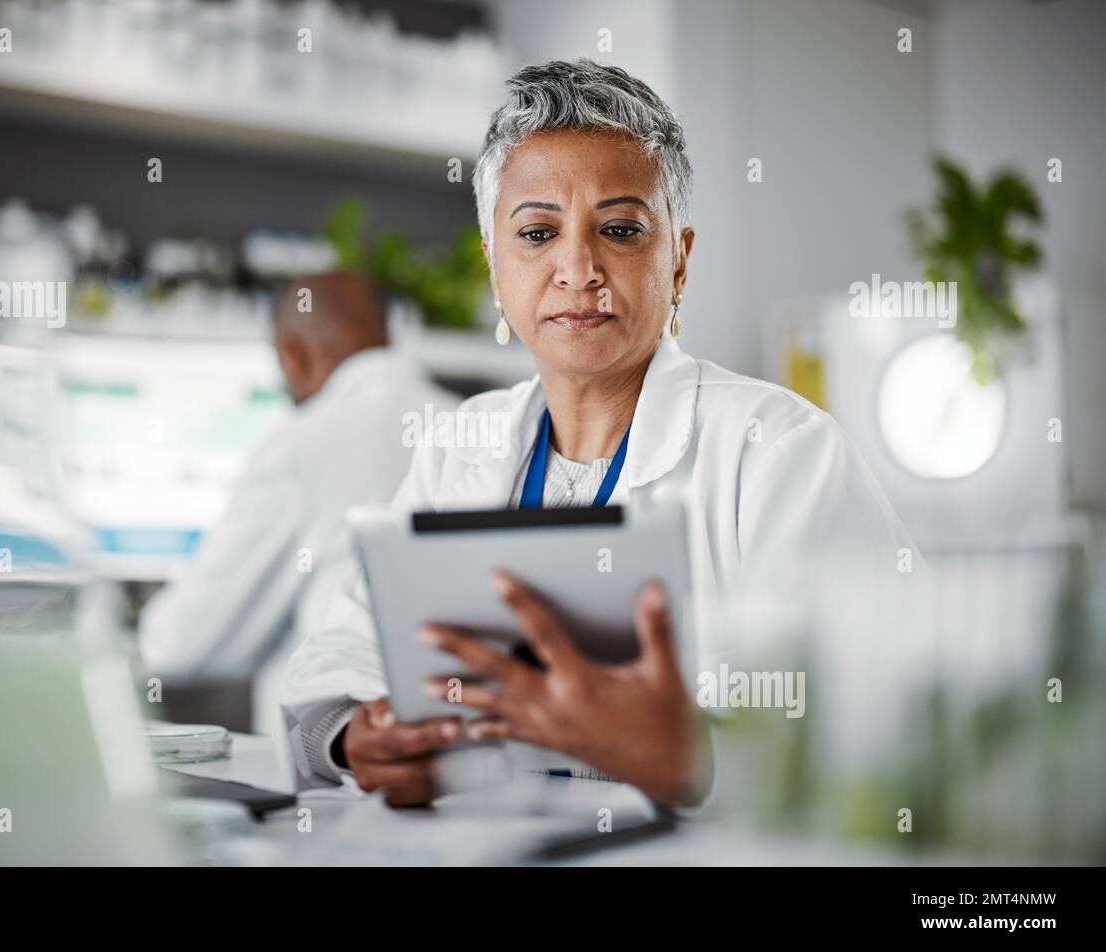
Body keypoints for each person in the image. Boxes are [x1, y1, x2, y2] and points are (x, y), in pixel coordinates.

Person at [281, 59, 914, 807]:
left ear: (677, 262)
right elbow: (340, 659)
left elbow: (892, 734)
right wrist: (360, 737)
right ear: (494, 266)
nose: (576, 268)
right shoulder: (462, 444)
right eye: (537, 232)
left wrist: (691, 757)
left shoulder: (778, 451)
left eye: (618, 229)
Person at [138, 269, 458, 732]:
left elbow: (181, 645)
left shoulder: (300, 445)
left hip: (333, 772)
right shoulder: (472, 429)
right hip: (469, 758)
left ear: (291, 355)